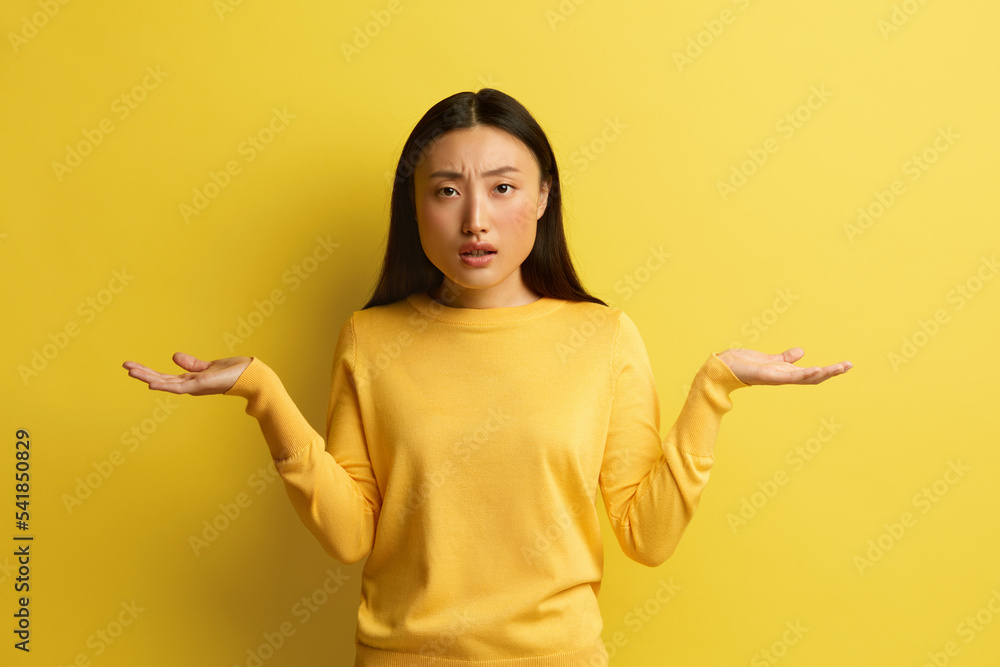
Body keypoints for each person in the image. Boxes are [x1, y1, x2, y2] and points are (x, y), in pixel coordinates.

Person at [123, 89, 852, 666]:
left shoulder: (603, 338)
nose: (476, 218)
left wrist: (715, 389)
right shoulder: (370, 337)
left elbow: (646, 534)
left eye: (503, 188)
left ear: (542, 197)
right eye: (446, 191)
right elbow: (350, 536)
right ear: (417, 207)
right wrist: (262, 392)